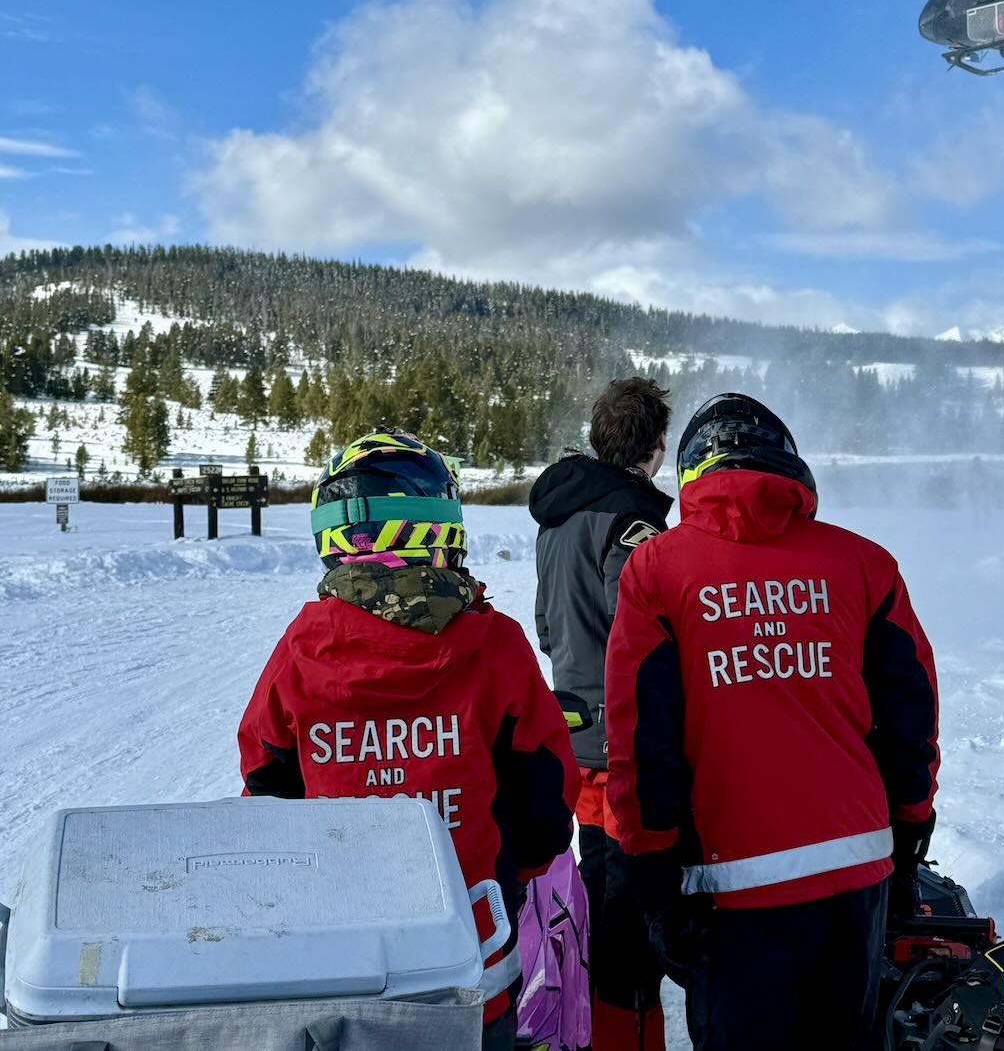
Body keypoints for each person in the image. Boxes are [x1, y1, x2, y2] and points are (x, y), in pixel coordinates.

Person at [604, 393, 940, 1051]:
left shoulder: (657, 570)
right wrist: (911, 823)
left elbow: (642, 737)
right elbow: (911, 710)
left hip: (731, 890)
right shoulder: (865, 564)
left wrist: (651, 871)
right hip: (857, 872)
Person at [239, 430, 579, 1050]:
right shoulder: (495, 645)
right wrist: (527, 872)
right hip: (475, 959)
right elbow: (547, 794)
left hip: (341, 966)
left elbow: (265, 789)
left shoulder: (300, 651)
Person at [530, 377, 673, 1051]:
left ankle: (582, 1024)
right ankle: (623, 1035)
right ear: (655, 446)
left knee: (592, 891)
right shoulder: (631, 518)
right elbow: (640, 631)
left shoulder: (558, 514)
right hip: (624, 744)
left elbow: (547, 624)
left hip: (577, 731)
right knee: (629, 913)